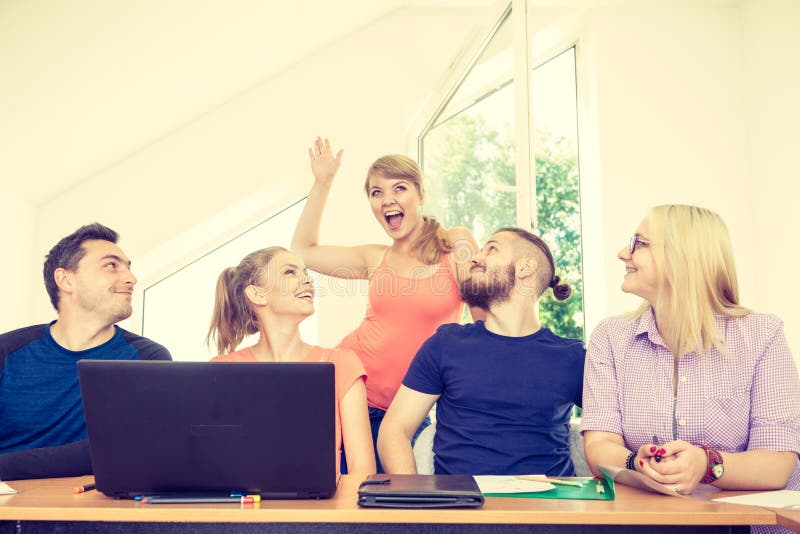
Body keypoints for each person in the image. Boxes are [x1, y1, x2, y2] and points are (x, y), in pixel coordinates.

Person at [580, 205, 800, 523]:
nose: (622, 254)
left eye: (638, 243)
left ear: (682, 257)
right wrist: (634, 462)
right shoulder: (610, 337)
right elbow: (600, 443)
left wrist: (707, 465)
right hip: (647, 524)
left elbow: (778, 464)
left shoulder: (762, 334)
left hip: (750, 527)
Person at [291, 137, 485, 471]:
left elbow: (485, 323)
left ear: (420, 195)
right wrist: (323, 182)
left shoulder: (454, 245)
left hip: (403, 412)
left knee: (390, 508)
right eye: (376, 193)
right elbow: (302, 251)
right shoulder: (374, 257)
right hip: (342, 391)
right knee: (324, 498)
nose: (387, 200)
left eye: (399, 188)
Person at [377, 227, 585, 475]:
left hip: (549, 509)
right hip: (462, 508)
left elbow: (612, 433)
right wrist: (416, 501)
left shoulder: (571, 357)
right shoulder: (446, 344)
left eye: (492, 249)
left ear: (525, 268)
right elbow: (394, 431)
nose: (475, 257)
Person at [0, 223, 171, 480]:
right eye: (111, 265)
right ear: (66, 280)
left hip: (95, 511)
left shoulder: (148, 358)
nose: (131, 278)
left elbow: (130, 449)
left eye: (128, 267)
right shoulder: (7, 352)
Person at [206, 246, 375, 477]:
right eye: (290, 272)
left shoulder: (342, 364)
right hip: (246, 509)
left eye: (305, 273)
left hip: (321, 511)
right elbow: (215, 461)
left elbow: (362, 472)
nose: (307, 280)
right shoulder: (222, 370)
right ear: (257, 294)